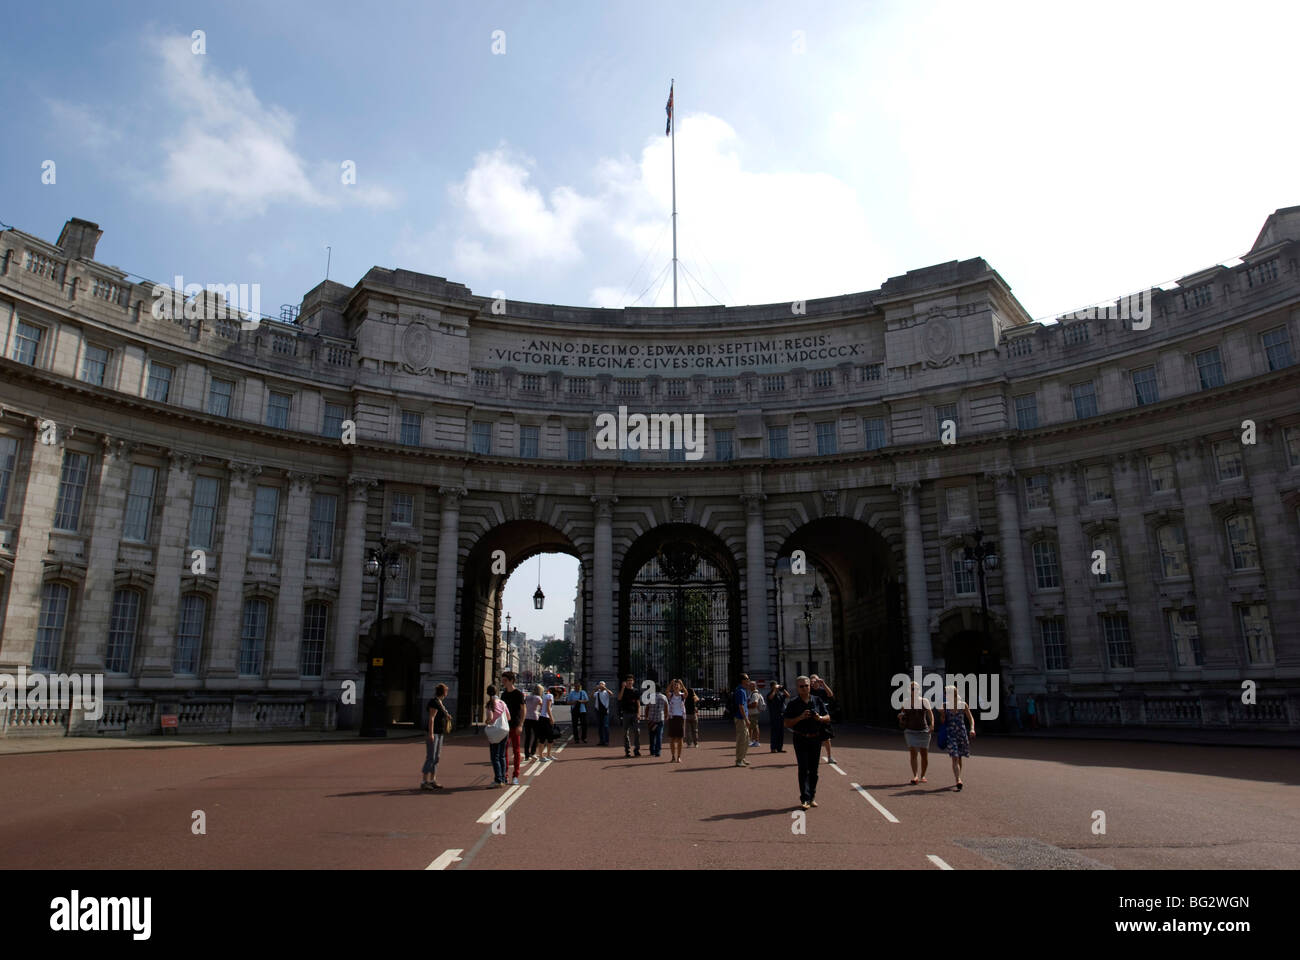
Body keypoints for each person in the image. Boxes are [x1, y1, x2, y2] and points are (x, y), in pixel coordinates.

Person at [784, 676, 831, 809]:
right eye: (801, 686)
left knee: (814, 770)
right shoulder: (793, 703)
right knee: (803, 768)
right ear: (797, 688)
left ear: (810, 686)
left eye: (806, 685)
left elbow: (828, 717)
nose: (804, 688)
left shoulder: (817, 700)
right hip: (800, 738)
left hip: (815, 738)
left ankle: (812, 797)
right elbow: (786, 722)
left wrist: (819, 718)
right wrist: (800, 717)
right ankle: (804, 798)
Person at [938, 684, 975, 791]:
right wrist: (942, 715)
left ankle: (958, 776)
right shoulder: (944, 706)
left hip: (961, 733)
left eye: (947, 693)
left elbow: (971, 718)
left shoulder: (963, 705)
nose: (945, 695)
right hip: (951, 734)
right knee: (955, 757)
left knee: (959, 757)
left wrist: (972, 729)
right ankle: (958, 779)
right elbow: (942, 721)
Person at [897, 681, 933, 784]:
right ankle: (915, 776)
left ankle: (923, 775)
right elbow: (903, 714)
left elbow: (930, 713)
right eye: (913, 689)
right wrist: (900, 717)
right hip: (910, 731)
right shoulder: (906, 702)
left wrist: (932, 724)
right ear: (909, 691)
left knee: (924, 755)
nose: (915, 691)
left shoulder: (924, 701)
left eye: (917, 689)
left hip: (923, 730)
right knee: (913, 753)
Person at [422, 682, 450, 790]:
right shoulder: (434, 702)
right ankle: (424, 781)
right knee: (431, 757)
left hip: (440, 733)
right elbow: (431, 718)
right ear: (443, 692)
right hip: (434, 733)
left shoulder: (440, 702)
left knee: (436, 757)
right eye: (446, 691)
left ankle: (433, 779)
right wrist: (431, 733)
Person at [501, 672, 525, 785]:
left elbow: (523, 710)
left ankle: (515, 775)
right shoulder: (504, 694)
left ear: (511, 680)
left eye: (505, 680)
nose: (503, 682)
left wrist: (521, 724)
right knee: (504, 751)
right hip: (505, 726)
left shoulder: (518, 694)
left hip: (515, 725)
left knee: (516, 751)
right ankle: (504, 775)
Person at [810, 675, 837, 764]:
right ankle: (811, 757)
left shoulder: (822, 690)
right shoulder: (809, 691)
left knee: (826, 738)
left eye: (815, 681)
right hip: (813, 718)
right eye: (812, 681)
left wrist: (823, 683)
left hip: (824, 717)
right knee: (812, 738)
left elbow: (830, 694)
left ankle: (829, 757)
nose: (814, 683)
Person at [485, 685, 509, 787]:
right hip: (505, 730)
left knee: (495, 756)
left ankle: (498, 780)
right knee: (502, 755)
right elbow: (509, 716)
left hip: (495, 731)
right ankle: (503, 778)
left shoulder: (490, 704)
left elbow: (490, 718)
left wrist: (487, 722)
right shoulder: (502, 703)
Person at [619, 675, 641, 757]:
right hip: (626, 713)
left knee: (637, 731)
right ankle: (627, 751)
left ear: (633, 681)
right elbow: (619, 698)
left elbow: (638, 704)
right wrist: (623, 688)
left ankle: (636, 750)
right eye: (628, 680)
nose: (629, 681)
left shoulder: (636, 691)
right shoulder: (623, 690)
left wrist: (638, 713)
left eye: (631, 680)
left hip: (634, 713)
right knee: (625, 733)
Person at [732, 673, 751, 767]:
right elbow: (741, 707)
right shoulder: (740, 691)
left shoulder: (743, 690)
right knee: (741, 739)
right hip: (740, 718)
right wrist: (746, 719)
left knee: (746, 739)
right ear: (743, 680)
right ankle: (739, 760)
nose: (749, 680)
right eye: (747, 679)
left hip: (742, 718)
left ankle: (742, 758)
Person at [666, 679, 687, 762]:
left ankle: (678, 756)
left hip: (680, 718)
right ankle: (673, 756)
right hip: (672, 718)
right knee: (671, 739)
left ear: (680, 687)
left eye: (677, 685)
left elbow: (687, 693)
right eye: (675, 685)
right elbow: (666, 691)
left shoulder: (682, 695)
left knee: (680, 738)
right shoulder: (671, 695)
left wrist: (682, 683)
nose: (676, 686)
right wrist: (671, 683)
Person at [645, 682, 668, 758]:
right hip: (659, 719)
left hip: (651, 719)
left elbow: (647, 707)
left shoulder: (650, 696)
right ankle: (658, 751)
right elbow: (666, 707)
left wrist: (646, 716)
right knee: (659, 736)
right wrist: (666, 715)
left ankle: (652, 750)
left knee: (652, 735)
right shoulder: (663, 697)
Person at [537, 683, 557, 761]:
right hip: (546, 718)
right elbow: (548, 708)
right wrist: (552, 718)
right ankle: (544, 756)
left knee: (546, 737)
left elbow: (543, 707)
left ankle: (546, 755)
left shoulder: (546, 696)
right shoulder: (550, 696)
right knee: (548, 737)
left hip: (543, 717)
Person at [767, 681, 789, 753]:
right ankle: (773, 748)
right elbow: (770, 698)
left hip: (781, 715)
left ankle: (779, 748)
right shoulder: (770, 694)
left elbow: (788, 696)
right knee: (775, 732)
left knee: (781, 732)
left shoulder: (780, 694)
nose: (776, 687)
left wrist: (782, 689)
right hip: (774, 715)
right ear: (771, 687)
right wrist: (774, 690)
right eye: (774, 686)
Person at [523, 684, 542, 760]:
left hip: (526, 717)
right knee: (537, 735)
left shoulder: (527, 697)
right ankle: (533, 752)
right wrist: (539, 712)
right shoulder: (538, 698)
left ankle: (526, 754)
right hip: (534, 717)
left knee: (528, 736)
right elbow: (543, 707)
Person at [593, 681, 613, 746]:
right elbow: (591, 696)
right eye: (600, 684)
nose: (601, 686)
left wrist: (605, 688)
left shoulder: (606, 692)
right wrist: (595, 689)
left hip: (605, 711)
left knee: (606, 726)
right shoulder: (597, 693)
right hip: (598, 711)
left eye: (602, 684)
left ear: (604, 685)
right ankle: (601, 740)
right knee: (600, 727)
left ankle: (606, 741)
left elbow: (611, 694)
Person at [747, 680, 764, 747]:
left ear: (754, 686)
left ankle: (756, 741)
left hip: (753, 713)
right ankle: (751, 741)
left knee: (755, 727)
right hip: (752, 713)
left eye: (750, 685)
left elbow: (755, 704)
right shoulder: (751, 693)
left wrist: (746, 706)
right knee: (751, 727)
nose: (749, 686)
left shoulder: (755, 694)